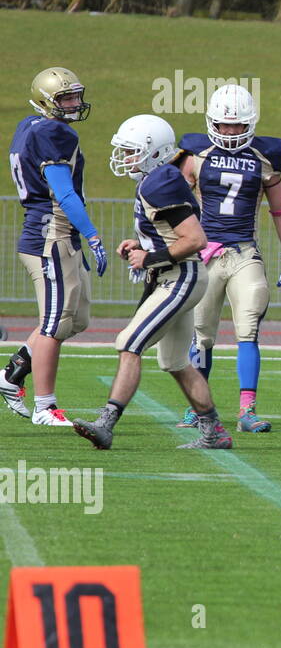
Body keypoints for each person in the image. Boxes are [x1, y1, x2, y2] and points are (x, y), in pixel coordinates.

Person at [72, 115, 225, 450]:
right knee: (174, 361)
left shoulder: (159, 182)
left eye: (131, 151)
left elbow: (195, 239)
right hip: (177, 275)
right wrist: (141, 245)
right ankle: (214, 431)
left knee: (129, 343)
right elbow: (172, 233)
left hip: (180, 276)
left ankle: (106, 423)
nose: (125, 158)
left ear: (153, 152)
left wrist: (150, 258)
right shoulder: (158, 180)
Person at [175, 85, 281, 434]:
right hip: (205, 253)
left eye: (237, 126)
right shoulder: (195, 155)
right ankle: (198, 406)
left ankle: (247, 410)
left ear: (251, 123)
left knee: (249, 327)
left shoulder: (264, 158)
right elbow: (177, 206)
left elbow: (280, 210)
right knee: (201, 334)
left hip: (245, 252)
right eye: (224, 125)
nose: (230, 132)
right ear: (212, 123)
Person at [1, 68, 108, 425]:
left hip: (58, 235)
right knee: (54, 325)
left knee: (74, 320)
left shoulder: (32, 125)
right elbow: (63, 192)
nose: (75, 104)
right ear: (48, 101)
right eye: (66, 98)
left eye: (76, 96)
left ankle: (12, 373)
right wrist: (92, 234)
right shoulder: (53, 132)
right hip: (51, 235)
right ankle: (45, 406)